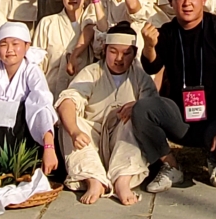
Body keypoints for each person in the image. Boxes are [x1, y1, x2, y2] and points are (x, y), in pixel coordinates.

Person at [136, 0, 216, 192]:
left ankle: (215, 162)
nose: (186, 3)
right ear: (171, 0)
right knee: (142, 109)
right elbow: (152, 66)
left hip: (215, 118)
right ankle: (171, 166)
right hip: (180, 117)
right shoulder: (167, 32)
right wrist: (148, 46)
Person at [56, 21, 158, 205]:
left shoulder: (139, 76)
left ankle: (122, 180)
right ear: (104, 50)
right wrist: (74, 131)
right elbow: (69, 100)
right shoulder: (92, 72)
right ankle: (94, 180)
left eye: (126, 53)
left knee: (136, 118)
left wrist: (137, 106)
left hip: (123, 140)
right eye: (113, 51)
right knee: (69, 121)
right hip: (92, 142)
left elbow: (152, 105)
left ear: (134, 54)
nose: (119, 58)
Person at [0, 21, 59, 175]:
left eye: (15, 44)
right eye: (3, 45)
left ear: (27, 46)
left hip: (20, 138)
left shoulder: (31, 71)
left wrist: (49, 146)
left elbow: (41, 104)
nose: (9, 50)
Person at [33, 0, 96, 95]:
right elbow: (37, 62)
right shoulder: (47, 23)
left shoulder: (93, 22)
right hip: (49, 89)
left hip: (83, 90)